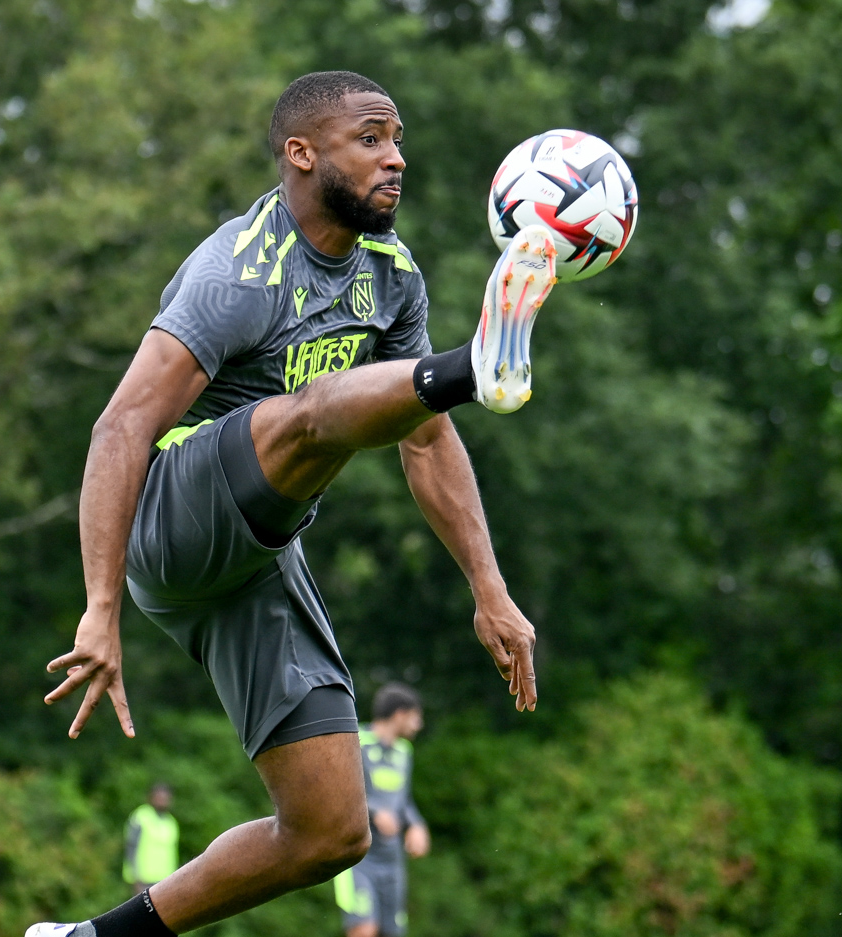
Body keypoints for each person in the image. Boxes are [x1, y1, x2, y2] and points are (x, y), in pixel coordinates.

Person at [27, 70, 555, 937]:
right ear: (301, 155)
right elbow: (120, 426)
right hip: (173, 513)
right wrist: (98, 609)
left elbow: (425, 440)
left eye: (398, 139)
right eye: (372, 139)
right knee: (312, 418)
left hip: (259, 556)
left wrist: (489, 590)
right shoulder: (236, 271)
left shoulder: (393, 277)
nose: (398, 159)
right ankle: (473, 365)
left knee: (329, 830)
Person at [335, 683, 429, 937]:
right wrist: (375, 812)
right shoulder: (356, 741)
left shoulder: (404, 752)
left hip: (391, 861)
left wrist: (416, 825)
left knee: (393, 932)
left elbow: (403, 801)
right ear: (400, 714)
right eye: (415, 717)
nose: (418, 725)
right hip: (356, 857)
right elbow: (339, 793)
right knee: (365, 930)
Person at [123, 784, 180, 896]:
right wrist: (134, 877)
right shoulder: (141, 816)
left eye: (165, 798)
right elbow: (131, 846)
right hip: (143, 880)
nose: (162, 800)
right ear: (151, 797)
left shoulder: (171, 822)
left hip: (165, 881)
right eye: (159, 797)